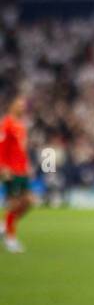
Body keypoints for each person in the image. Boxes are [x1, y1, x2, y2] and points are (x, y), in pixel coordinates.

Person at [0, 95, 34, 253]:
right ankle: (10, 238)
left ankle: (3, 226)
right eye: (19, 105)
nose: (22, 108)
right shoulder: (6, 123)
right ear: (11, 106)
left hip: (22, 170)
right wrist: (2, 167)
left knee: (29, 201)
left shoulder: (21, 125)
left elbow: (22, 149)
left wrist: (28, 165)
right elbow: (1, 146)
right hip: (11, 170)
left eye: (24, 105)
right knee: (13, 203)